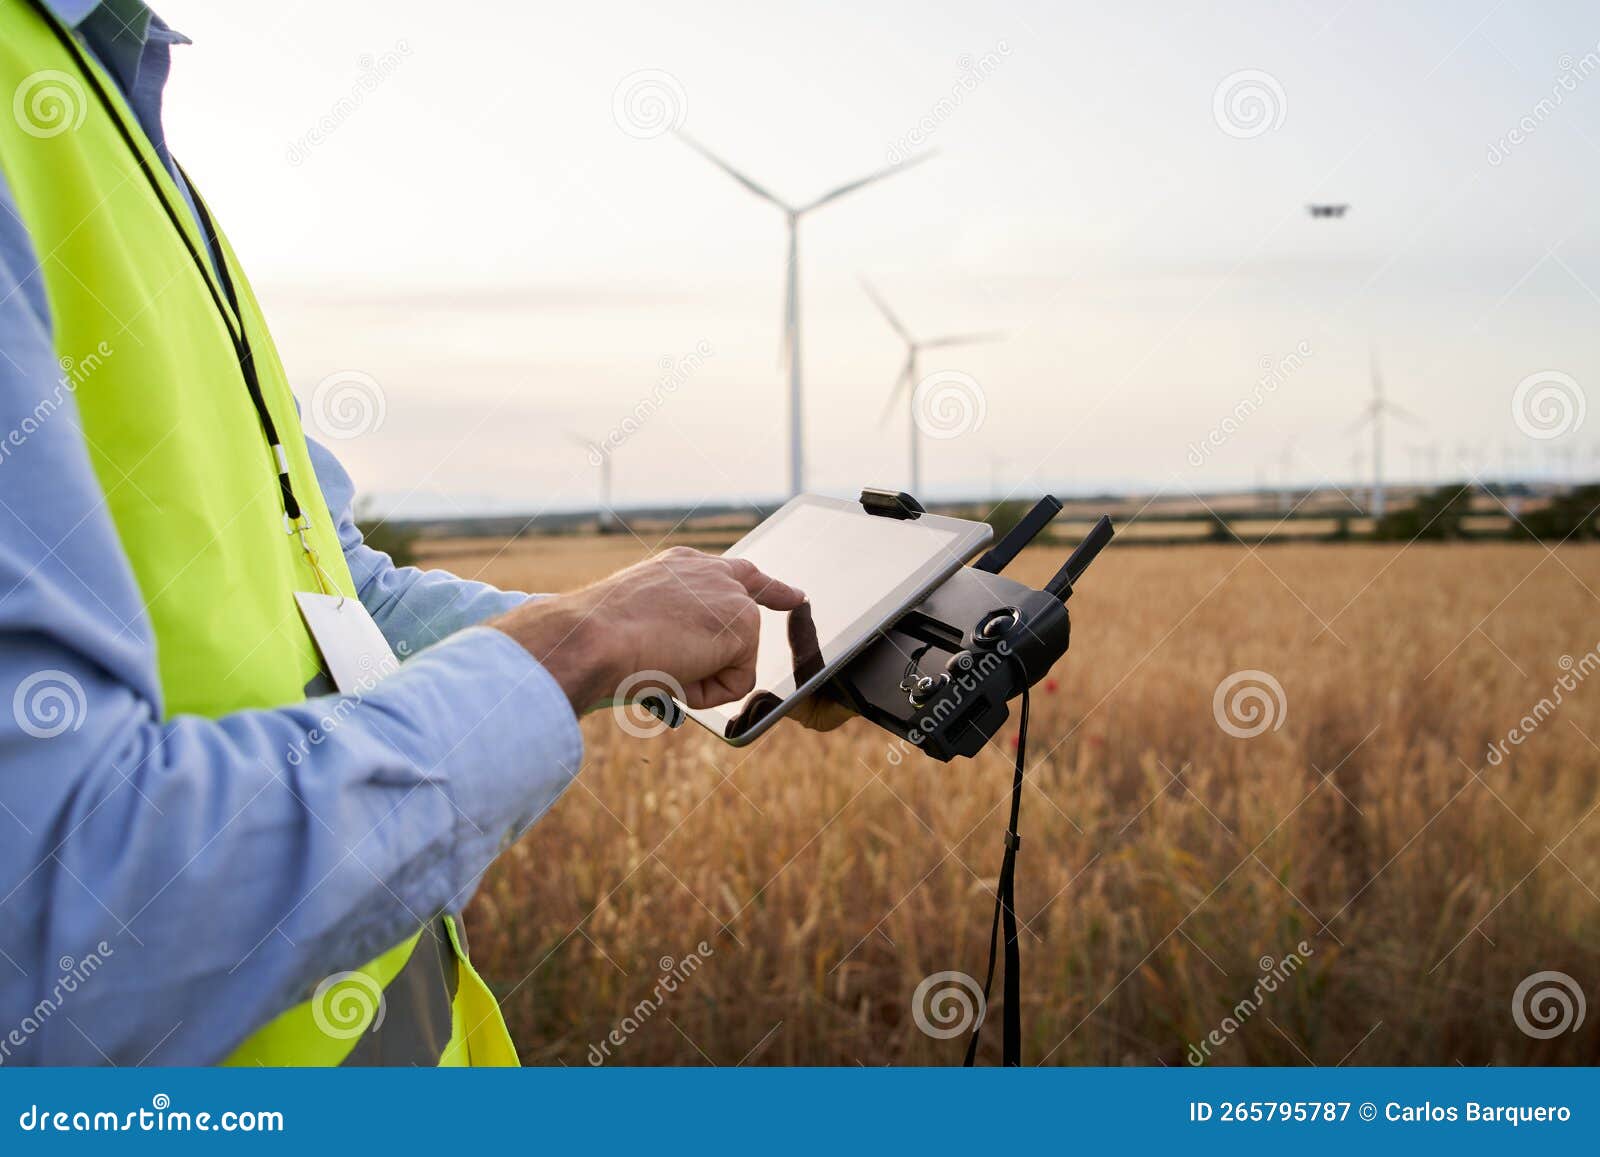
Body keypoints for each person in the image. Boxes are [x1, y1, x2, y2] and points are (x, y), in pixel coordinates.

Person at [0, 0, 840, 1066]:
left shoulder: (118, 116)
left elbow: (336, 594)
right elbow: (59, 913)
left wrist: (660, 636)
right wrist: (577, 642)